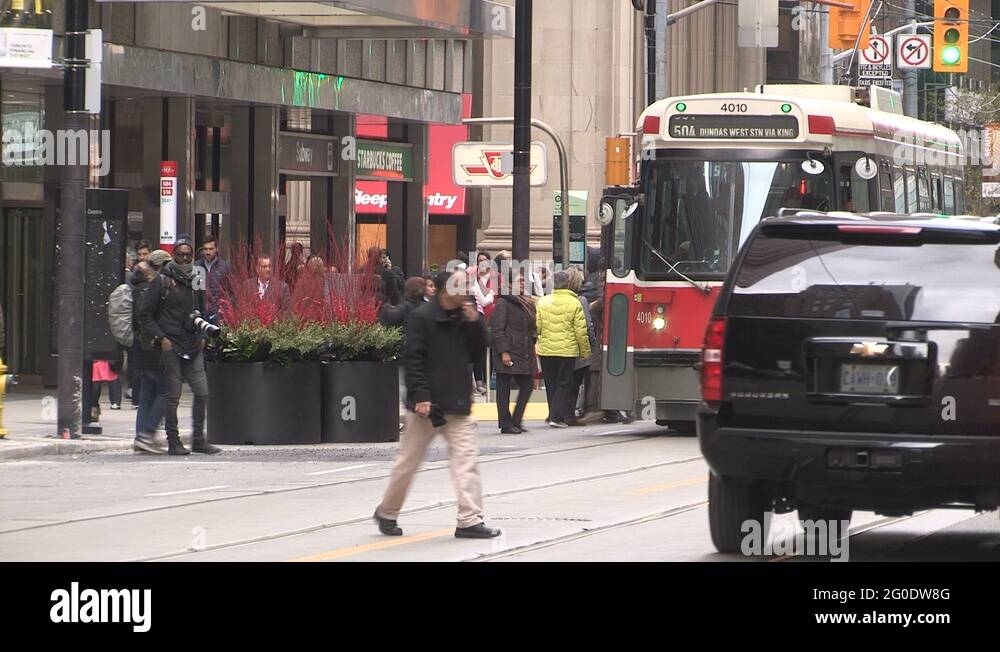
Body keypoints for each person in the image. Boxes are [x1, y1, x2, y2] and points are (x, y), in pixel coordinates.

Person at [373, 268, 502, 540]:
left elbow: (478, 353)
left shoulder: (466, 317)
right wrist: (420, 396)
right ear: (446, 291)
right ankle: (387, 511)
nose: (467, 292)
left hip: (457, 402)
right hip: (427, 407)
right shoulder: (421, 318)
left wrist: (474, 324)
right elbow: (413, 359)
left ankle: (469, 520)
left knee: (466, 460)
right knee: (408, 463)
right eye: (461, 287)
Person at [139, 234, 221, 456]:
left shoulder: (196, 278)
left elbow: (202, 308)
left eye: (188, 255)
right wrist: (162, 338)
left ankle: (198, 439)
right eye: (180, 255)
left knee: (202, 392)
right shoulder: (161, 281)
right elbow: (145, 315)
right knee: (173, 395)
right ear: (173, 256)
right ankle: (173, 440)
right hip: (171, 344)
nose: (184, 259)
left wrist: (204, 334)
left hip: (193, 342)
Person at [535, 270, 592, 428]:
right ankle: (555, 417)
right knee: (564, 383)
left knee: (551, 382)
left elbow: (538, 327)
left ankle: (553, 414)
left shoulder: (543, 302)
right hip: (567, 350)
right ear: (568, 284)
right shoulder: (575, 303)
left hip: (546, 349)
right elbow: (581, 331)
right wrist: (585, 352)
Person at [130, 250, 172, 454]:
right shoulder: (151, 288)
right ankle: (147, 433)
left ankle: (141, 438)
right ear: (159, 267)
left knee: (147, 394)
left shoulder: (138, 286)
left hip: (140, 346)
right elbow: (148, 317)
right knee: (166, 390)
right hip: (152, 347)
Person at [489, 271, 536, 434]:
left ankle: (516, 419)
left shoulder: (526, 302)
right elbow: (497, 329)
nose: (522, 283)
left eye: (524, 281)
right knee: (504, 387)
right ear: (510, 284)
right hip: (509, 349)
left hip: (525, 350)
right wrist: (504, 352)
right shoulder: (504, 302)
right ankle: (505, 422)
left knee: (527, 385)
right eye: (519, 280)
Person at [564, 268, 597, 424]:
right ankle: (570, 413)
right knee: (575, 382)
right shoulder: (581, 300)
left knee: (561, 381)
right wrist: (591, 343)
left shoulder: (550, 298)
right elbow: (586, 325)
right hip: (576, 347)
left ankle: (557, 413)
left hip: (555, 347)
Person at [194, 234, 233, 323]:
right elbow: (194, 292)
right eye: (205, 249)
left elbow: (232, 292)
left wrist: (225, 308)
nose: (208, 252)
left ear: (216, 249)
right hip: (201, 314)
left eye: (211, 249)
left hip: (219, 314)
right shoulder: (196, 267)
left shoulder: (225, 267)